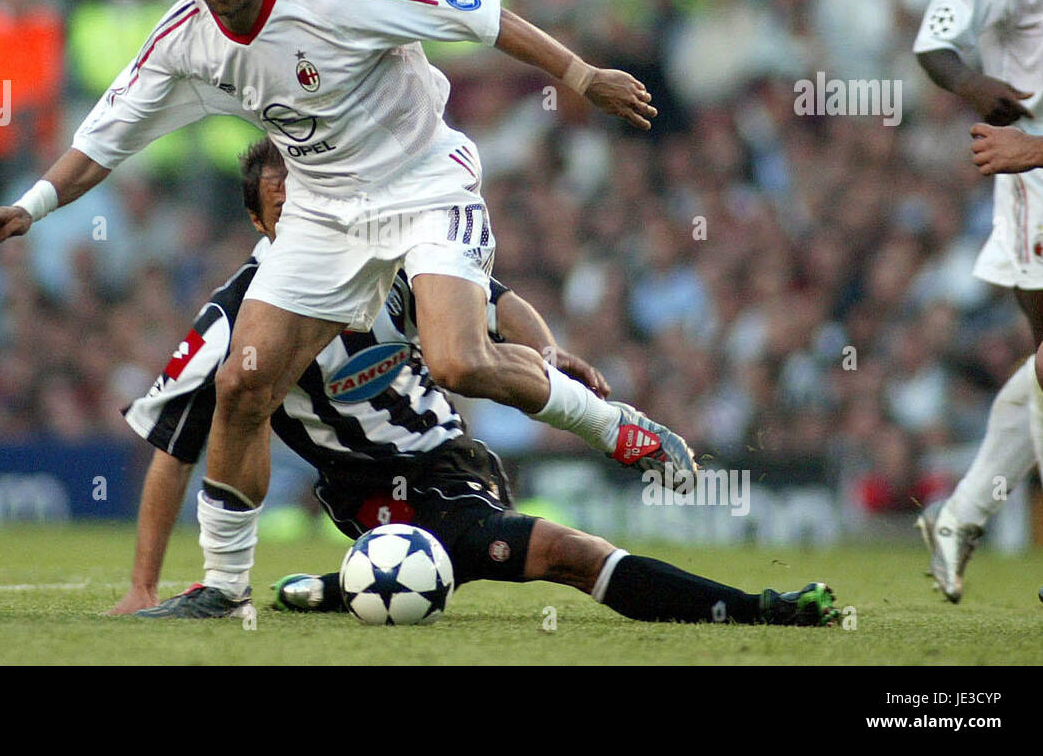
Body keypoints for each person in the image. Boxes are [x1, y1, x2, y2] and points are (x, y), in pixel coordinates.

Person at [0, 0, 693, 609]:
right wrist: (33, 204)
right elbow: (108, 132)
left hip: (424, 186)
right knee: (242, 381)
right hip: (322, 210)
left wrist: (580, 75)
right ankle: (222, 587)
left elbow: (474, 9)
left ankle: (615, 425)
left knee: (456, 360)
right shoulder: (186, 36)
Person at [109, 140, 837, 625]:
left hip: (450, 462)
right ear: (257, 220)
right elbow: (175, 444)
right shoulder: (235, 316)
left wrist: (548, 349)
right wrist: (144, 584)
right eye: (284, 212)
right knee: (560, 553)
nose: (306, 223)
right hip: (363, 492)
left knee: (549, 546)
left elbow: (493, 294)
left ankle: (351, 583)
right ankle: (758, 610)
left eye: (314, 205)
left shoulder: (392, 255)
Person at [911, 0, 1043, 602]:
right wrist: (973, 83)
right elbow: (937, 39)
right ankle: (963, 514)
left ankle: (961, 513)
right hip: (1036, 174)